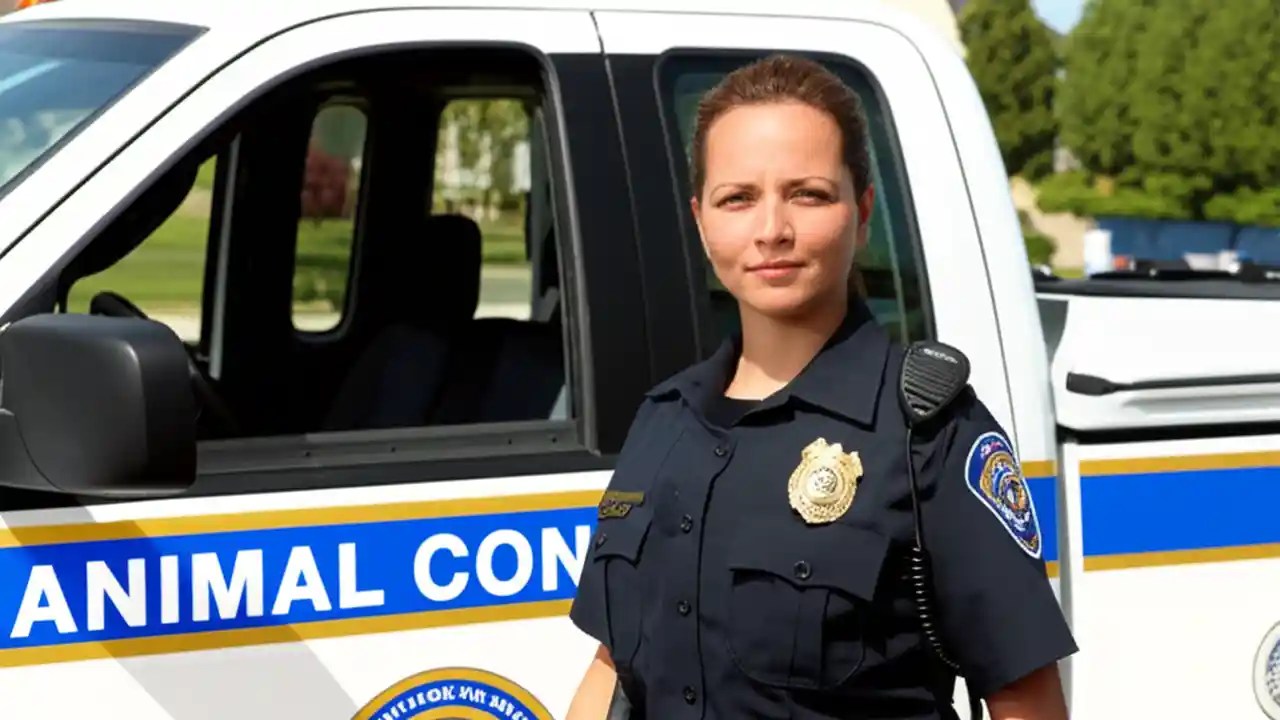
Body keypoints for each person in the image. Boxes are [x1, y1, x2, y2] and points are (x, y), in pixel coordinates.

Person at [564, 54, 1077, 720]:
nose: (771, 230)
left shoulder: (930, 434)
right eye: (738, 198)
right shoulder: (665, 422)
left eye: (807, 194)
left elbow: (1027, 702)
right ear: (700, 219)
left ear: (862, 212)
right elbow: (611, 669)